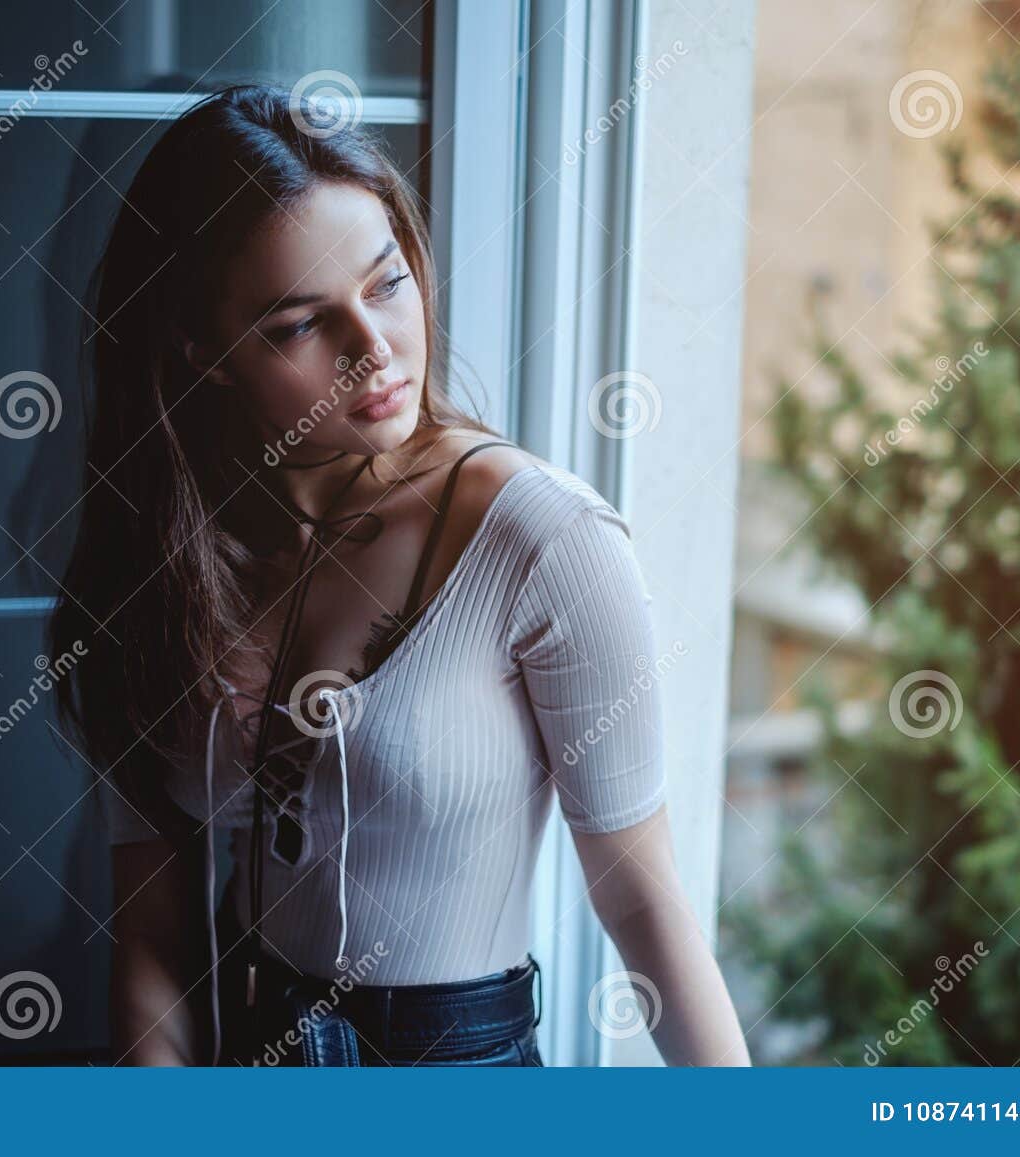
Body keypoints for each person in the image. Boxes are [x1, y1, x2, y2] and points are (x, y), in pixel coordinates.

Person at [49, 82, 750, 1068]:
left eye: (386, 284)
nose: (373, 351)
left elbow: (643, 900)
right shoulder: (170, 558)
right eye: (301, 324)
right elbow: (152, 928)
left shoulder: (544, 539)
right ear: (202, 351)